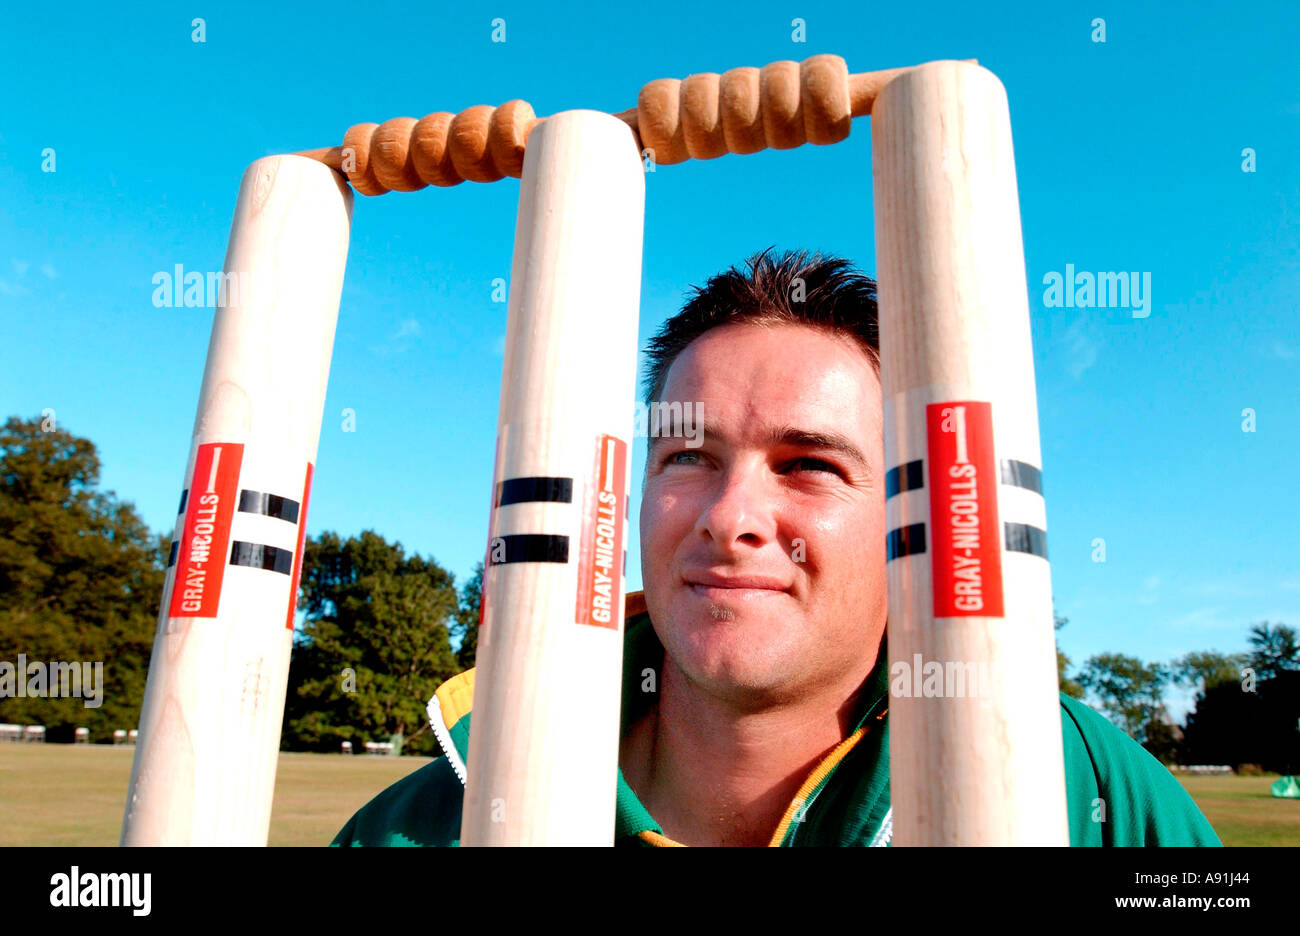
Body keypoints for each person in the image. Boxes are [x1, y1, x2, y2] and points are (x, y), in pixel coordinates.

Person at [331, 248, 1220, 847]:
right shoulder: (430, 825)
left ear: (905, 518)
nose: (729, 514)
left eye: (807, 464)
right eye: (689, 458)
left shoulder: (1086, 786)